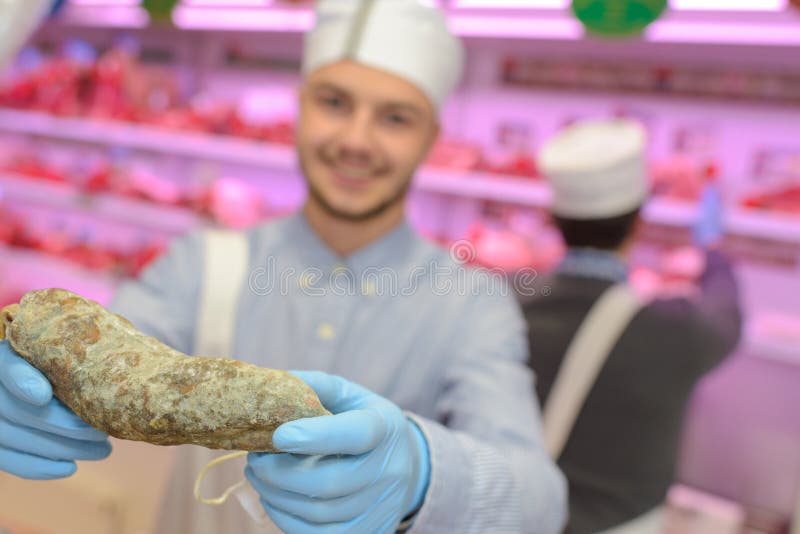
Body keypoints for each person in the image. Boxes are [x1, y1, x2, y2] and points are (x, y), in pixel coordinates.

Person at [0, 1, 567, 533]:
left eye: (395, 118)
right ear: (300, 106)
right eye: (334, 102)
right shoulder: (203, 262)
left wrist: (422, 472)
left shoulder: (472, 302)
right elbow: (110, 359)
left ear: (431, 139)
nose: (356, 140)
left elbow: (542, 499)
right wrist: (29, 385)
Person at [522, 119, 742, 534]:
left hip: (517, 513)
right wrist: (713, 251)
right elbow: (727, 316)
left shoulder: (509, 303)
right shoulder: (675, 331)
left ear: (552, 218)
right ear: (639, 221)